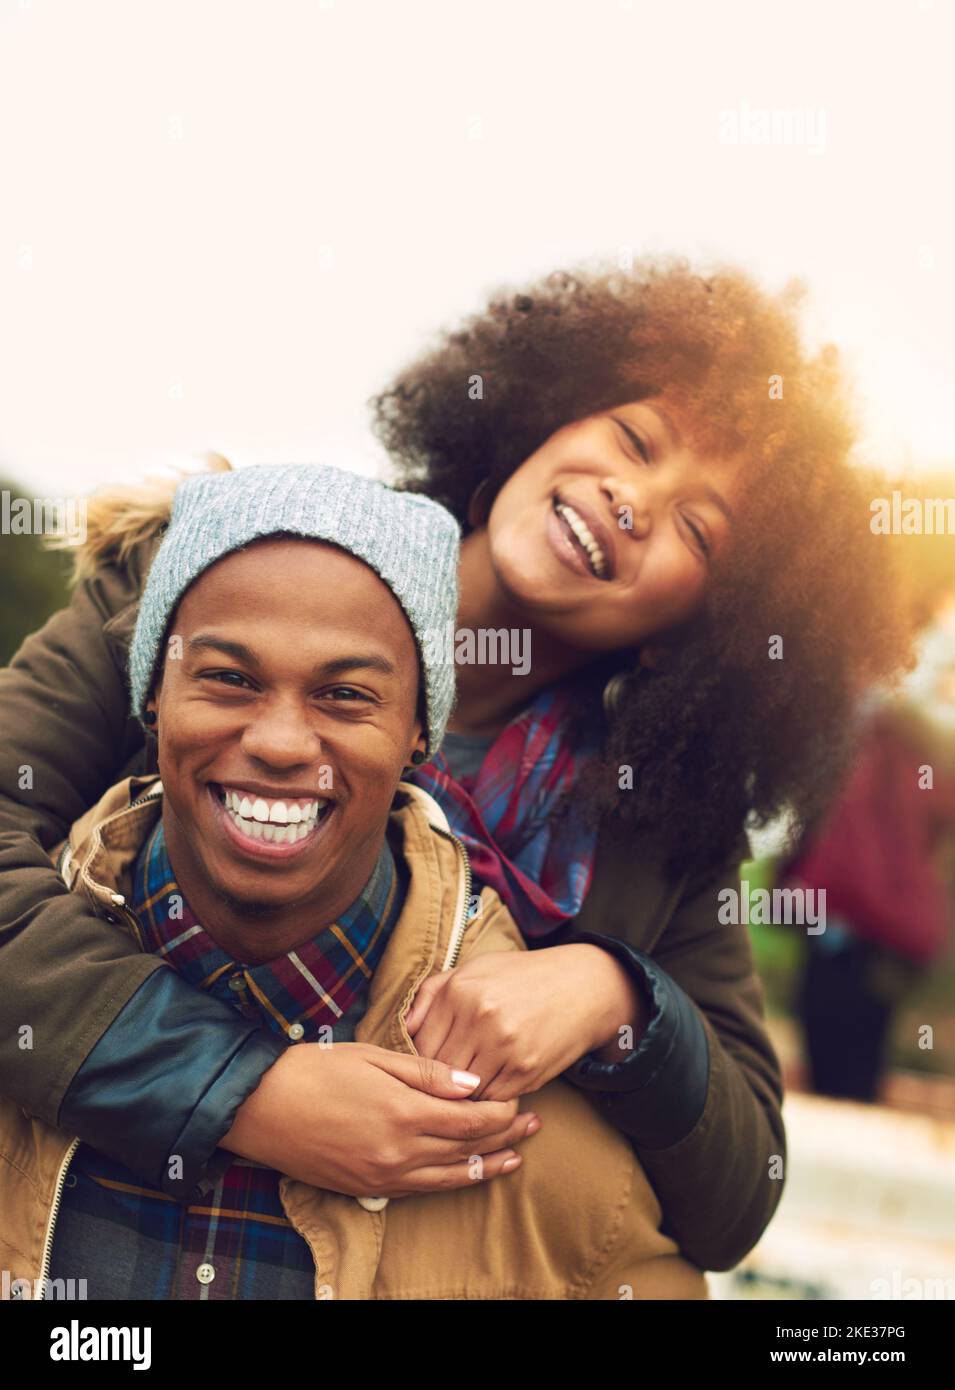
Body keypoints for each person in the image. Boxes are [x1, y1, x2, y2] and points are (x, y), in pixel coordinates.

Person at [0, 257, 916, 1276]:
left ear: (701, 625)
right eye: (634, 438)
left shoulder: (654, 826)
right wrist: (243, 1090)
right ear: (539, 414)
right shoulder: (208, 577)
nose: (632, 499)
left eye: (699, 527)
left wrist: (615, 995)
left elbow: (738, 1198)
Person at [2, 463, 700, 1300]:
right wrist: (246, 1093)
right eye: (229, 677)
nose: (283, 742)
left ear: (418, 737)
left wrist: (613, 987)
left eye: (343, 695)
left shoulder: (540, 1146)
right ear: (152, 694)